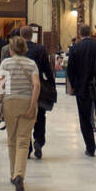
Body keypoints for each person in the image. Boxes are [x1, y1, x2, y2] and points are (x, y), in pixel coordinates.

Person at [0, 35, 39, 191]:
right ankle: (19, 174)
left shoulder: (5, 63)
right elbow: (36, 85)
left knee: (12, 140)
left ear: (11, 49)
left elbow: (0, 86)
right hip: (27, 101)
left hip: (10, 103)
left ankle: (14, 174)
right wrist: (32, 105)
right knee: (23, 141)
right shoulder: (31, 64)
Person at [66, 24, 96, 157]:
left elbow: (70, 71)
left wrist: (76, 86)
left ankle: (90, 148)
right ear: (91, 33)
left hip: (83, 89)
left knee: (85, 118)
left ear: (80, 34)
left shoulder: (75, 48)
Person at [21, 25, 56, 160]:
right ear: (32, 35)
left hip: (23, 88)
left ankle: (28, 146)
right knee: (40, 115)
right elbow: (47, 70)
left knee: (25, 117)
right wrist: (51, 85)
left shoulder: (18, 49)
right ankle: (39, 142)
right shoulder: (40, 49)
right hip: (38, 88)